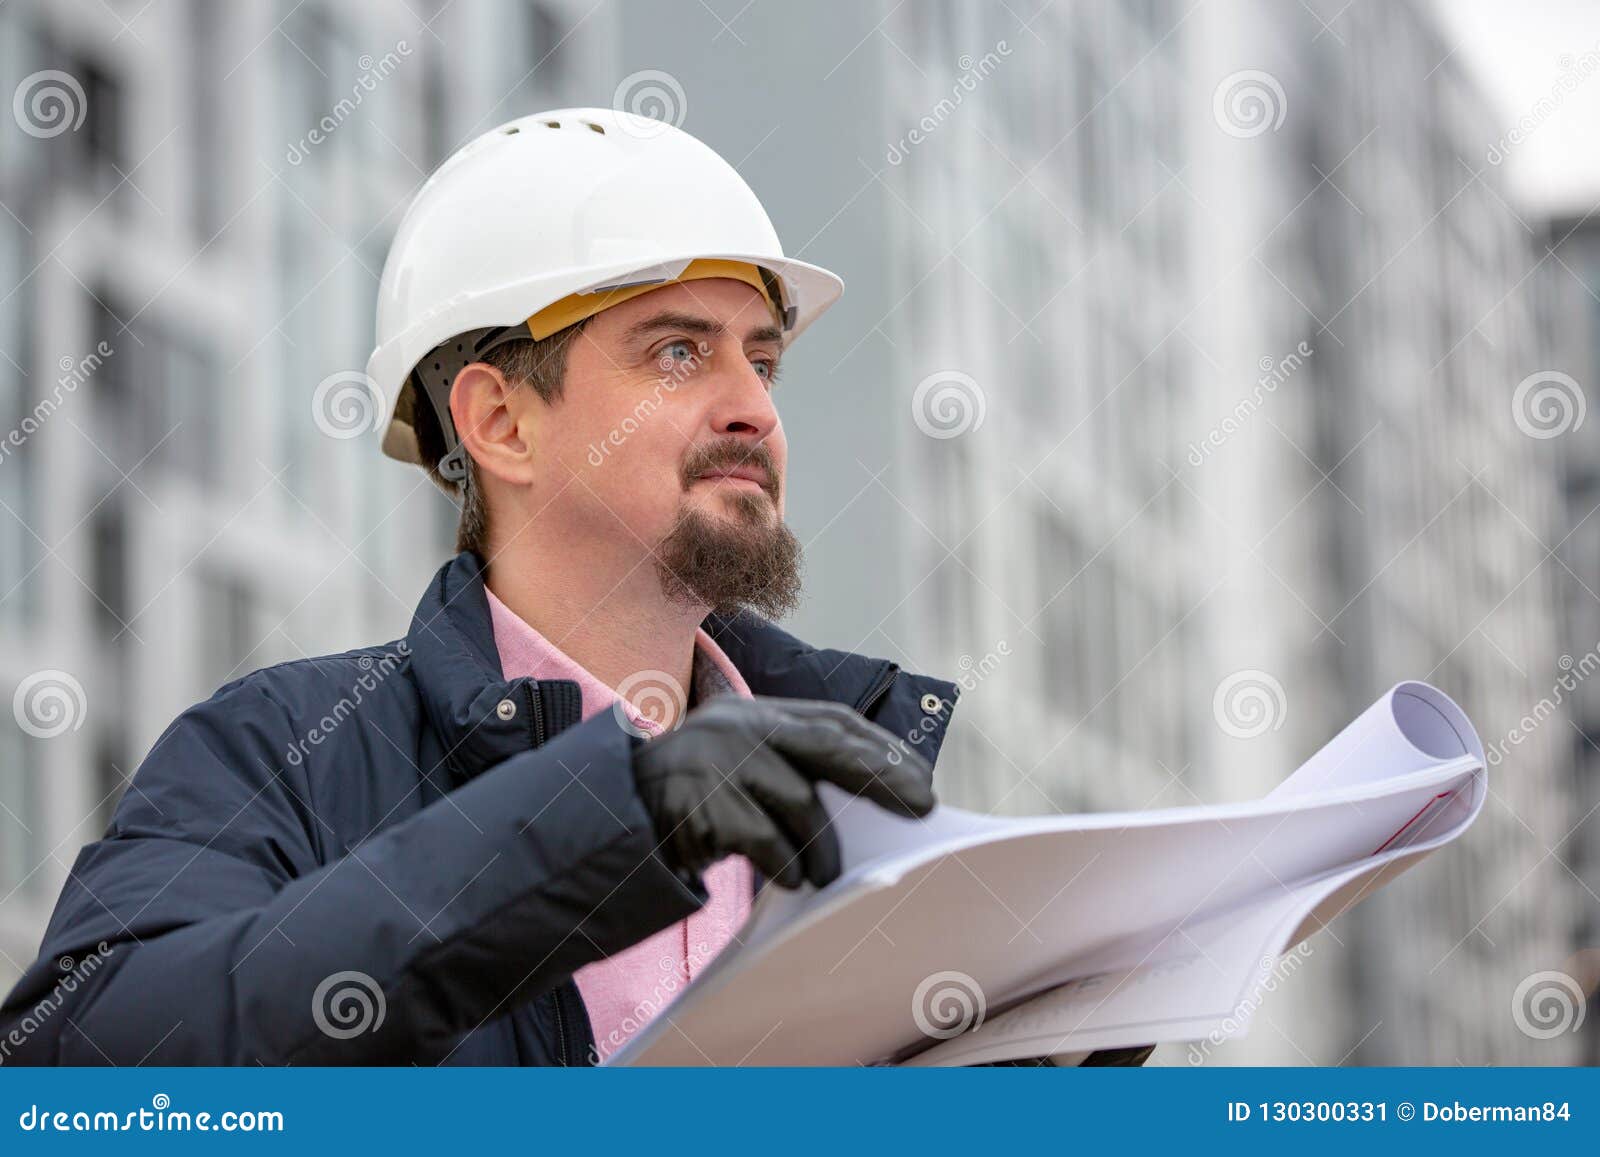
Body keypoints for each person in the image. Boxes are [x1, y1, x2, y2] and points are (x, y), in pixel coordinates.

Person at [0, 107, 1149, 1068]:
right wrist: (591, 829)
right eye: (678, 351)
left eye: (763, 356)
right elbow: (76, 1067)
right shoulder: (285, 753)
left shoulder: (861, 799)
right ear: (500, 421)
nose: (754, 403)